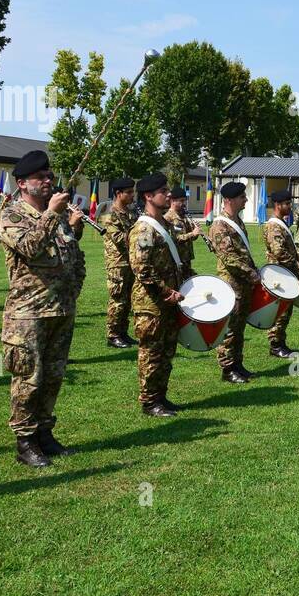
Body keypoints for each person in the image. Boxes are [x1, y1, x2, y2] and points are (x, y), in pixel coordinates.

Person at [0, 150, 86, 467]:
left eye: (49, 176)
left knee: (53, 377)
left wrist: (73, 291)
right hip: (27, 314)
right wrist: (50, 214)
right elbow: (30, 247)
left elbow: (74, 257)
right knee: (28, 380)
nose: (48, 181)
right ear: (23, 184)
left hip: (60, 310)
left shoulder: (59, 217)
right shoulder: (10, 216)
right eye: (41, 178)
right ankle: (25, 442)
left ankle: (45, 433)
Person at [129, 173, 185, 417]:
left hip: (169, 300)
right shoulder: (143, 228)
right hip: (151, 303)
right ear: (148, 196)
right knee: (151, 353)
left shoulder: (163, 224)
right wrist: (166, 292)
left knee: (166, 352)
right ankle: (150, 401)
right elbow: (142, 268)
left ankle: (161, 396)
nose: (168, 195)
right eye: (163, 191)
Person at [208, 181, 257, 384]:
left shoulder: (237, 221)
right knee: (229, 329)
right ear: (229, 200)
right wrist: (252, 274)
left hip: (243, 283)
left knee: (239, 328)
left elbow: (243, 254)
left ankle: (238, 364)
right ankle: (228, 369)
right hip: (232, 284)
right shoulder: (220, 225)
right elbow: (229, 258)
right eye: (242, 197)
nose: (245, 200)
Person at [264, 188, 299, 357]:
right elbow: (279, 252)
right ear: (277, 205)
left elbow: (290, 250)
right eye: (287, 204)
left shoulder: (281, 223)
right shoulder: (274, 226)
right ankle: (275, 345)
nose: (290, 206)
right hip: (280, 275)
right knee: (280, 311)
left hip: (286, 272)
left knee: (286, 310)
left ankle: (280, 342)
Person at [101, 177, 137, 348]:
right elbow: (120, 239)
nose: (132, 195)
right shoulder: (110, 215)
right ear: (118, 193)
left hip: (131, 262)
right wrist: (140, 237)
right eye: (129, 192)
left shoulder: (131, 213)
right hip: (118, 264)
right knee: (118, 299)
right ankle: (113, 334)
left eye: (132, 191)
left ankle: (123, 332)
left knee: (128, 300)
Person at [163, 185, 202, 280]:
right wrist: (192, 233)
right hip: (176, 258)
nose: (183, 203)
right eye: (181, 201)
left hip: (186, 258)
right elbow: (174, 239)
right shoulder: (168, 218)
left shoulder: (183, 216)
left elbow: (192, 238)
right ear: (172, 201)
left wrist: (195, 230)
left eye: (184, 200)